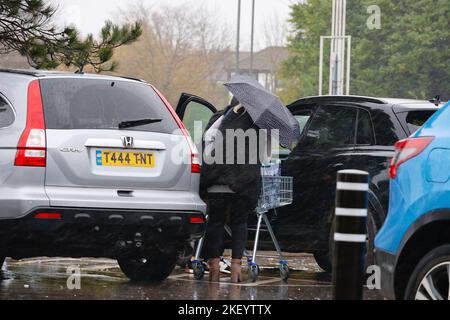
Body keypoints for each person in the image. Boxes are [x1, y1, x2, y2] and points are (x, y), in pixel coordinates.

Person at [200, 97, 268, 283]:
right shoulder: (256, 123)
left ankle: (214, 265)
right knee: (239, 223)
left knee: (215, 222)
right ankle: (236, 266)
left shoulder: (218, 119)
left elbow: (206, 146)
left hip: (218, 178)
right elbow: (261, 154)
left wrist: (205, 180)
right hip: (244, 181)